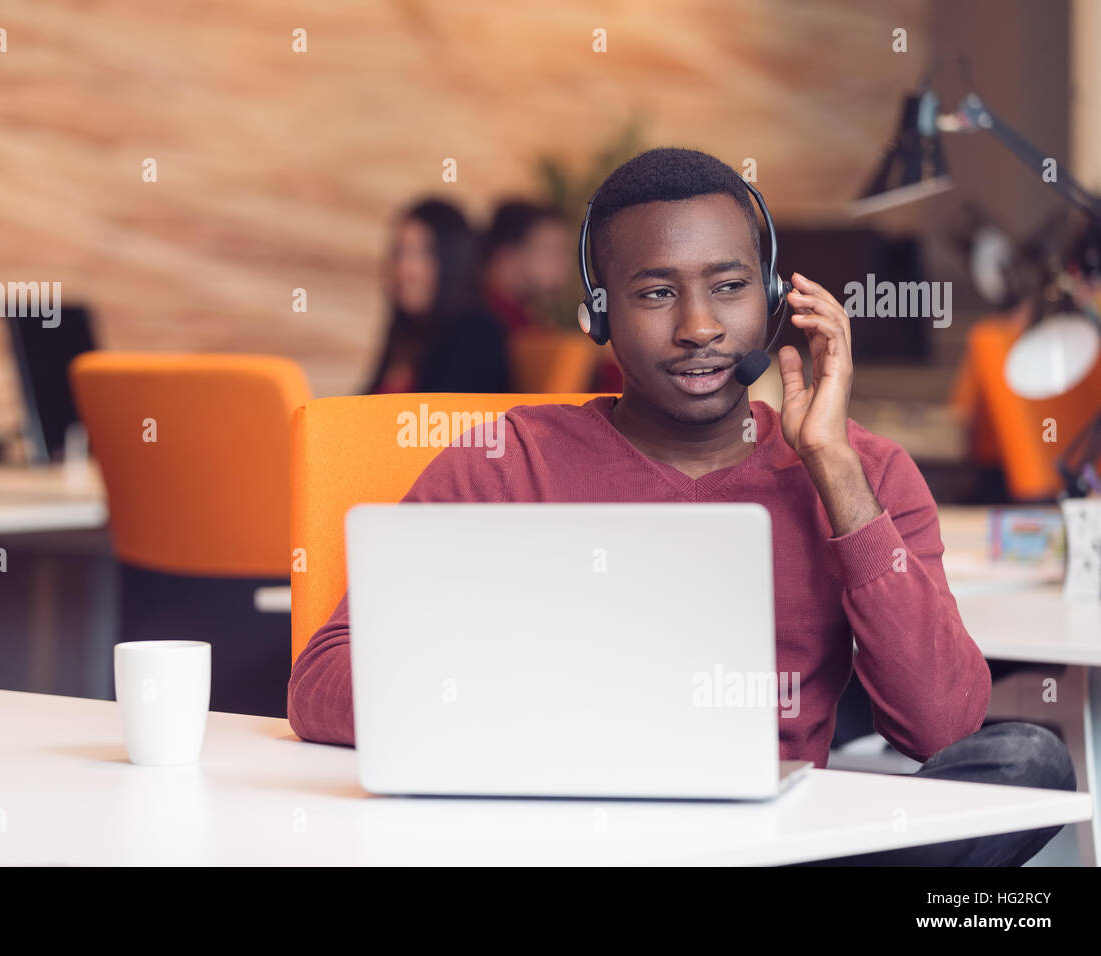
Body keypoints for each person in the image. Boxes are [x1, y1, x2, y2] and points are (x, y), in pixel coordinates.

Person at [294, 148, 1074, 866]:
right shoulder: (509, 459)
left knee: (1025, 764)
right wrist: (543, 717)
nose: (699, 327)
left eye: (729, 287)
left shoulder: (865, 472)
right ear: (597, 315)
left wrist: (833, 472)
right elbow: (321, 679)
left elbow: (941, 724)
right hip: (563, 838)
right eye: (657, 293)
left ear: (771, 299)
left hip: (777, 845)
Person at [362, 199, 511, 394]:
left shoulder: (477, 334)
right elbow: (361, 408)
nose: (405, 269)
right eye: (400, 252)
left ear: (453, 259)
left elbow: (443, 420)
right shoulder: (406, 333)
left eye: (423, 253)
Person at [479, 199, 569, 336]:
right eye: (551, 252)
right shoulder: (484, 328)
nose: (564, 265)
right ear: (507, 256)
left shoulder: (525, 323)